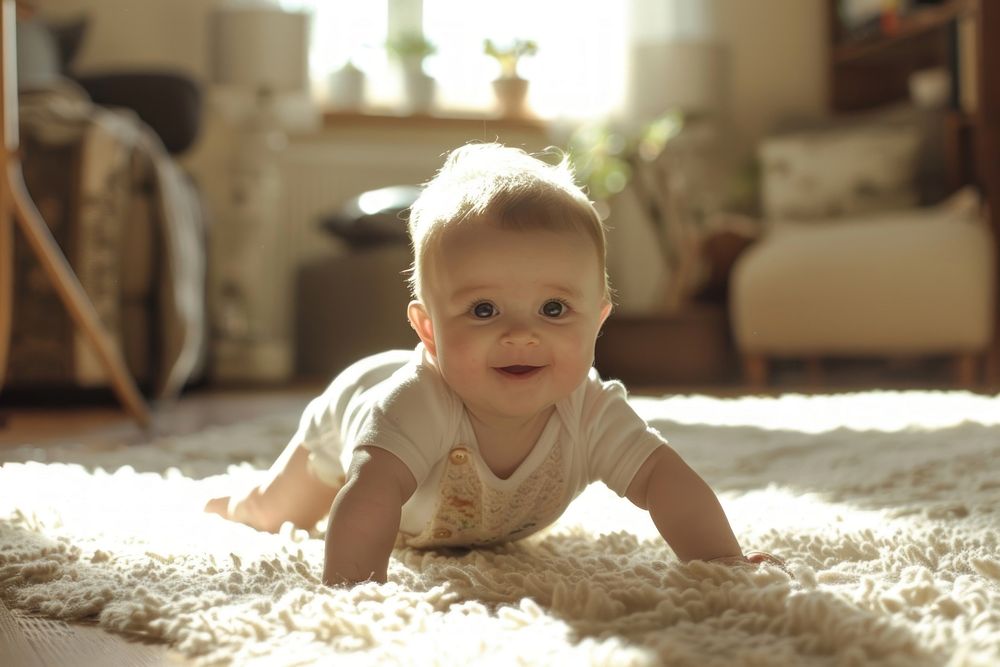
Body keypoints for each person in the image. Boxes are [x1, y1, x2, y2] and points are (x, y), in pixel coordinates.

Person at [206, 143, 783, 586]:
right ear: (428, 329)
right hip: (350, 412)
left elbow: (666, 480)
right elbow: (371, 497)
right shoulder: (412, 405)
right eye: (483, 309)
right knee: (276, 510)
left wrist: (723, 562)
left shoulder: (591, 409)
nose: (521, 333)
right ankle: (234, 500)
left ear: (598, 319)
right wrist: (355, 596)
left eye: (554, 309)